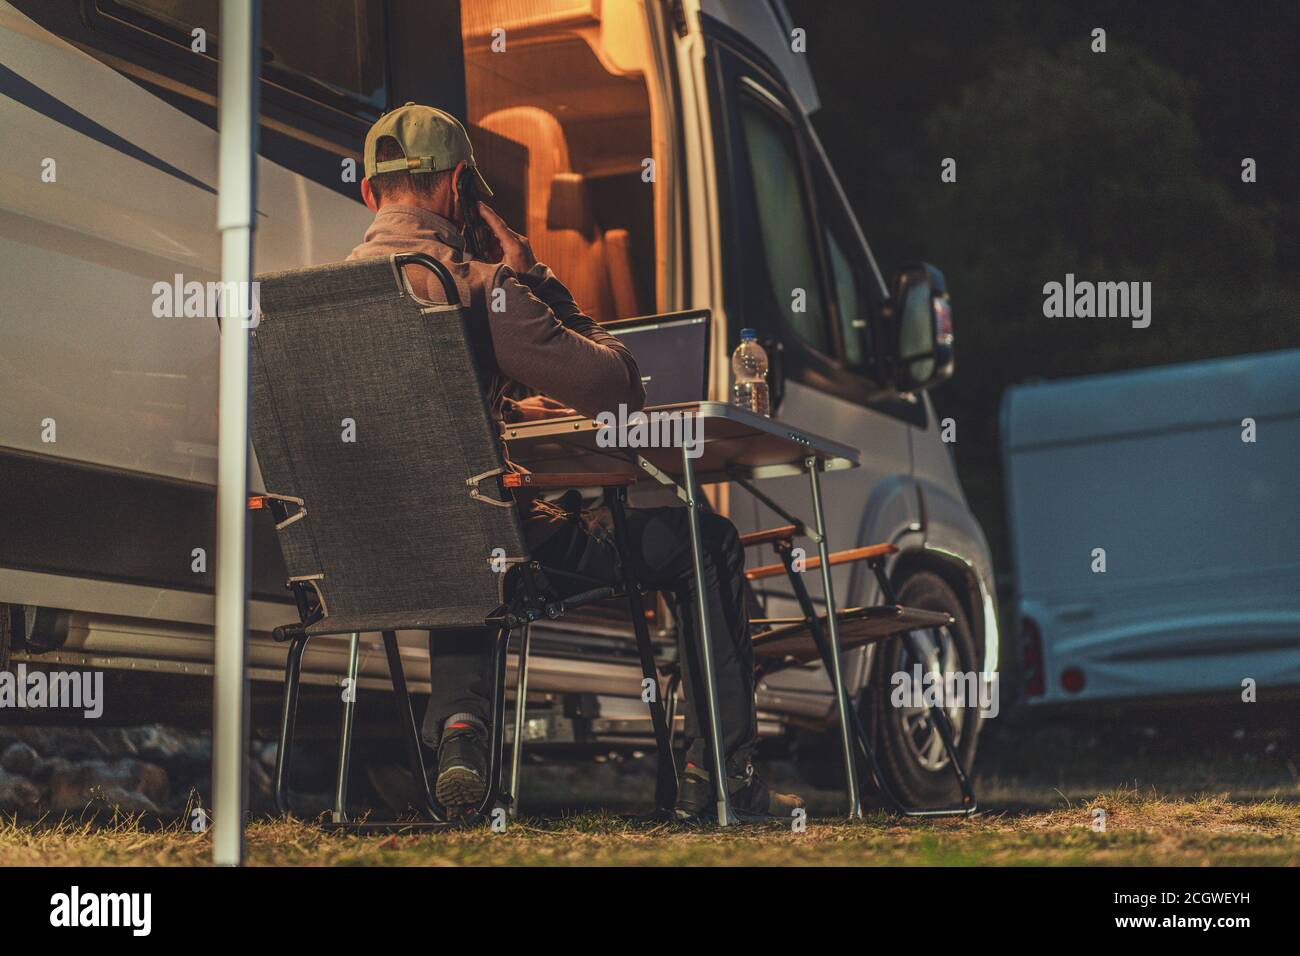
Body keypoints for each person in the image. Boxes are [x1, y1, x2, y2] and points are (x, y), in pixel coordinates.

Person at [349, 103, 802, 820]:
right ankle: (719, 773)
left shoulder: (312, 297)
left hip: (358, 555)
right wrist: (537, 280)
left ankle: (462, 734)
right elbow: (618, 383)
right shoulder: (478, 284)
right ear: (460, 187)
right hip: (488, 546)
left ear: (370, 193)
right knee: (703, 541)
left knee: (457, 523)